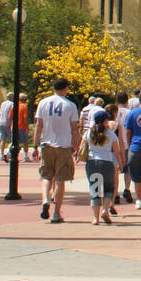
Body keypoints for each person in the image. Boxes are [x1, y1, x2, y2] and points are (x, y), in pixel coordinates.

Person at [35, 78, 81, 223]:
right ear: (65, 88)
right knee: (61, 179)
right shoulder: (70, 105)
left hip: (47, 144)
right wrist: (76, 146)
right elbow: (74, 129)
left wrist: (36, 144)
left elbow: (38, 125)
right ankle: (56, 212)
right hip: (63, 145)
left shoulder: (43, 102)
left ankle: (45, 199)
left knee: (46, 176)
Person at [83, 109, 124, 225]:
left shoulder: (89, 133)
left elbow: (82, 146)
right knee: (109, 188)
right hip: (107, 163)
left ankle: (95, 218)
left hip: (92, 163)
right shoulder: (110, 134)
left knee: (94, 189)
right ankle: (105, 210)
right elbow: (116, 151)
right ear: (106, 121)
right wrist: (121, 165)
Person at [0, 92, 15, 162]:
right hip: (8, 123)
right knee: (12, 140)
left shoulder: (3, 104)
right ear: (11, 97)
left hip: (1, 122)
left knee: (3, 140)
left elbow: (0, 112)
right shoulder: (12, 104)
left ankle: (1, 155)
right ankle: (8, 153)